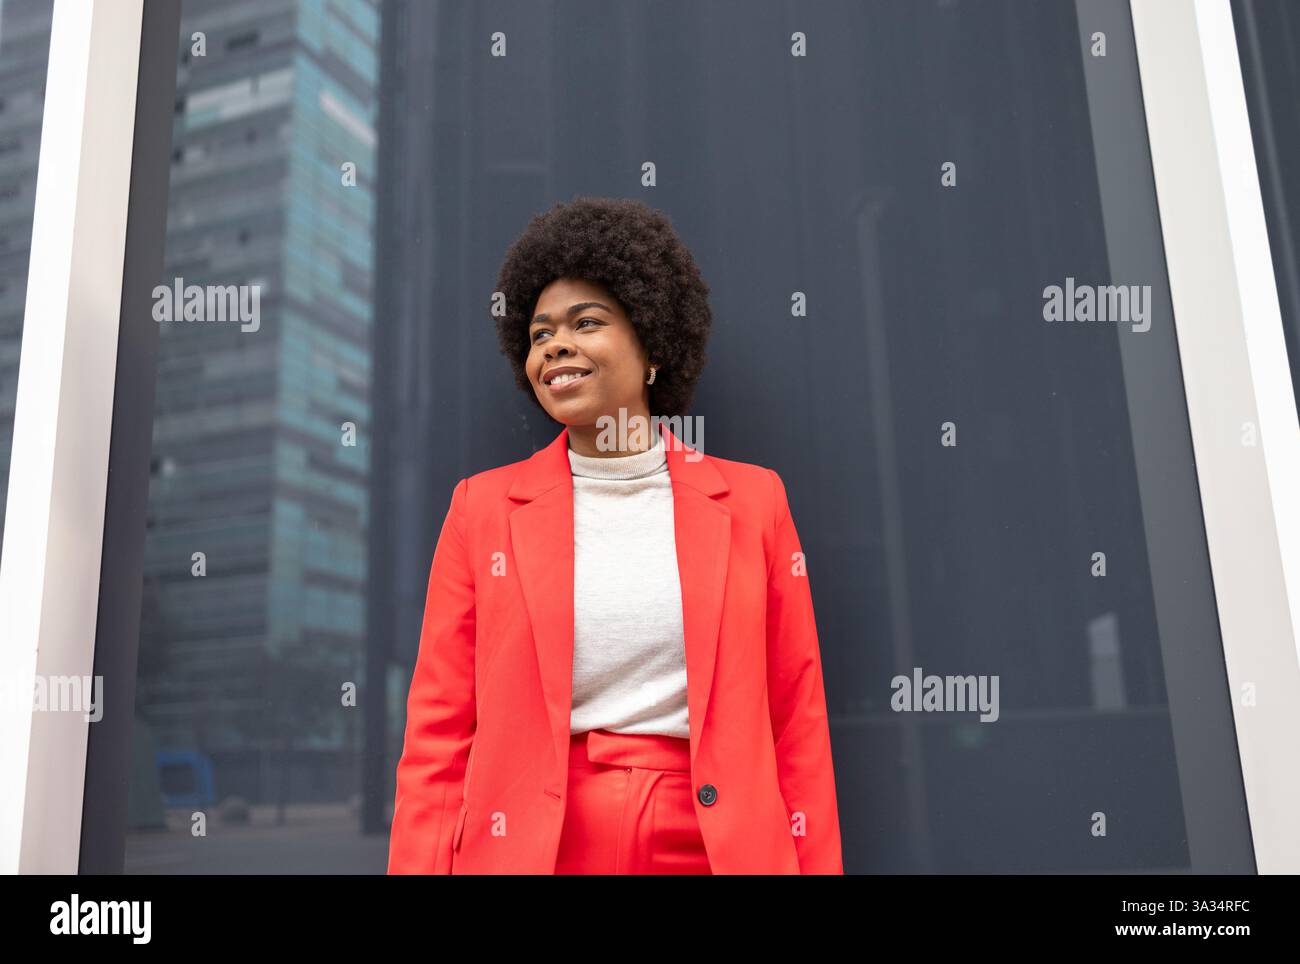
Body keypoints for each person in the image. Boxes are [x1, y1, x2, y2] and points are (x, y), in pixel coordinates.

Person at [388, 196, 842, 874]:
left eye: (586, 322)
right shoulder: (479, 510)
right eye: (540, 334)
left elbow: (797, 718)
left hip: (716, 847)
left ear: (653, 346)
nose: (556, 346)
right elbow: (438, 737)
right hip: (540, 848)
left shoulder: (755, 501)